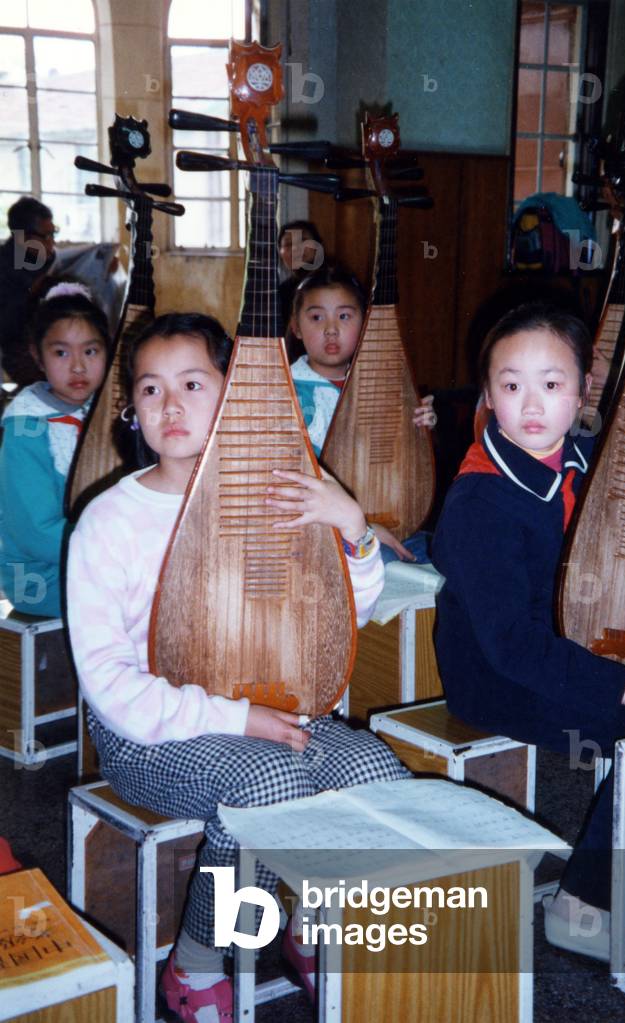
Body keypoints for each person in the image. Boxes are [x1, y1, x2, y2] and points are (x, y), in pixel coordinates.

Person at [66, 312, 409, 1021]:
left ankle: (308, 928)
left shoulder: (279, 491)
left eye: (194, 383)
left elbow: (351, 612)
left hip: (277, 708)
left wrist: (351, 525)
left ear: (235, 395)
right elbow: (109, 683)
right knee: (268, 781)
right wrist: (236, 718)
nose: (172, 405)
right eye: (152, 389)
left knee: (377, 775)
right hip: (152, 737)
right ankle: (194, 960)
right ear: (131, 409)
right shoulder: (108, 520)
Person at [432, 302, 625, 964]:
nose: (530, 403)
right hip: (500, 677)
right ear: (488, 395)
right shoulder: (479, 499)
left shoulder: (582, 456)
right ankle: (583, 908)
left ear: (582, 392)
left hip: (574, 649)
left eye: (552, 384)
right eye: (511, 383)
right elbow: (511, 645)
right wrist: (622, 690)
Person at [289, 265, 437, 563]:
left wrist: (420, 426)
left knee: (440, 551)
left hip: (385, 511)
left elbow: (396, 458)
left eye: (344, 316)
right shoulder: (288, 389)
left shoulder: (379, 381)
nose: (331, 329)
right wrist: (364, 528)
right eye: (316, 317)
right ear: (296, 327)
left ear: (366, 323)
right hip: (326, 527)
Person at [0, 283, 108, 617]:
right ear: (38, 355)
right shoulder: (25, 426)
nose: (78, 367)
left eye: (91, 352)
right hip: (41, 576)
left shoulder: (105, 410)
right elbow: (36, 532)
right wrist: (118, 550)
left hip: (94, 558)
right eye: (61, 353)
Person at [0, 197, 58, 386]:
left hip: (57, 340)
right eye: (46, 236)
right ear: (22, 237)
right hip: (19, 349)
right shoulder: (4, 265)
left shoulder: (49, 259)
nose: (52, 244)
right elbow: (7, 328)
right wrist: (30, 292)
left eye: (53, 235)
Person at [277, 219, 324, 337]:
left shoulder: (337, 282)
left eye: (303, 240)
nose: (296, 248)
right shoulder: (281, 292)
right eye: (288, 244)